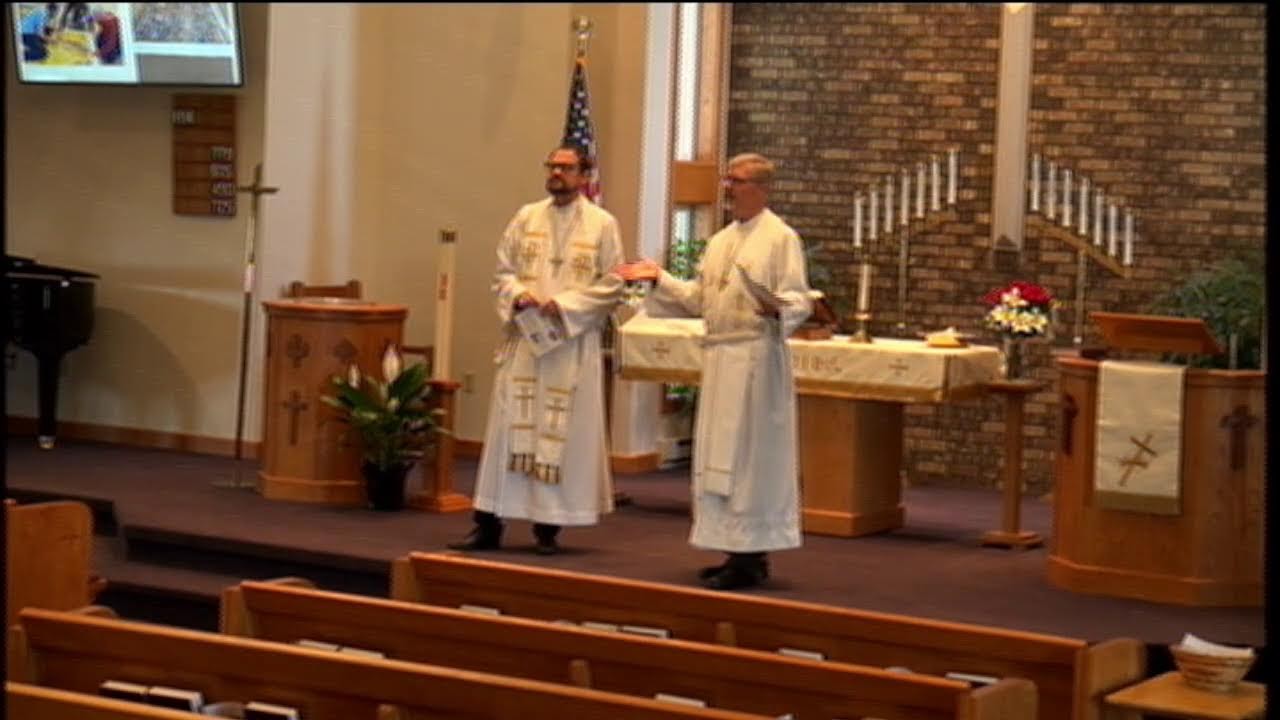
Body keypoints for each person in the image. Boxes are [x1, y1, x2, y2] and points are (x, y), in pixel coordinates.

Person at [619, 153, 812, 590]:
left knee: (750, 459)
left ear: (760, 188)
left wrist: (776, 307)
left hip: (757, 361)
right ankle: (732, 549)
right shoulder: (721, 240)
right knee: (718, 458)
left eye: (737, 180)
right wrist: (659, 278)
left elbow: (799, 298)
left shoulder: (781, 238)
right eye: (727, 179)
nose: (727, 187)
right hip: (722, 357)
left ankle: (752, 554)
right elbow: (699, 298)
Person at [448, 144, 625, 556]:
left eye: (566, 167)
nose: (557, 173)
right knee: (509, 426)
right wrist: (520, 295)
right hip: (527, 340)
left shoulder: (602, 224)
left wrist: (564, 305)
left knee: (560, 431)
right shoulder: (526, 217)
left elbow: (614, 283)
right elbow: (502, 273)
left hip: (570, 344)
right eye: (552, 166)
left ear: (584, 174)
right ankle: (488, 522)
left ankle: (548, 526)